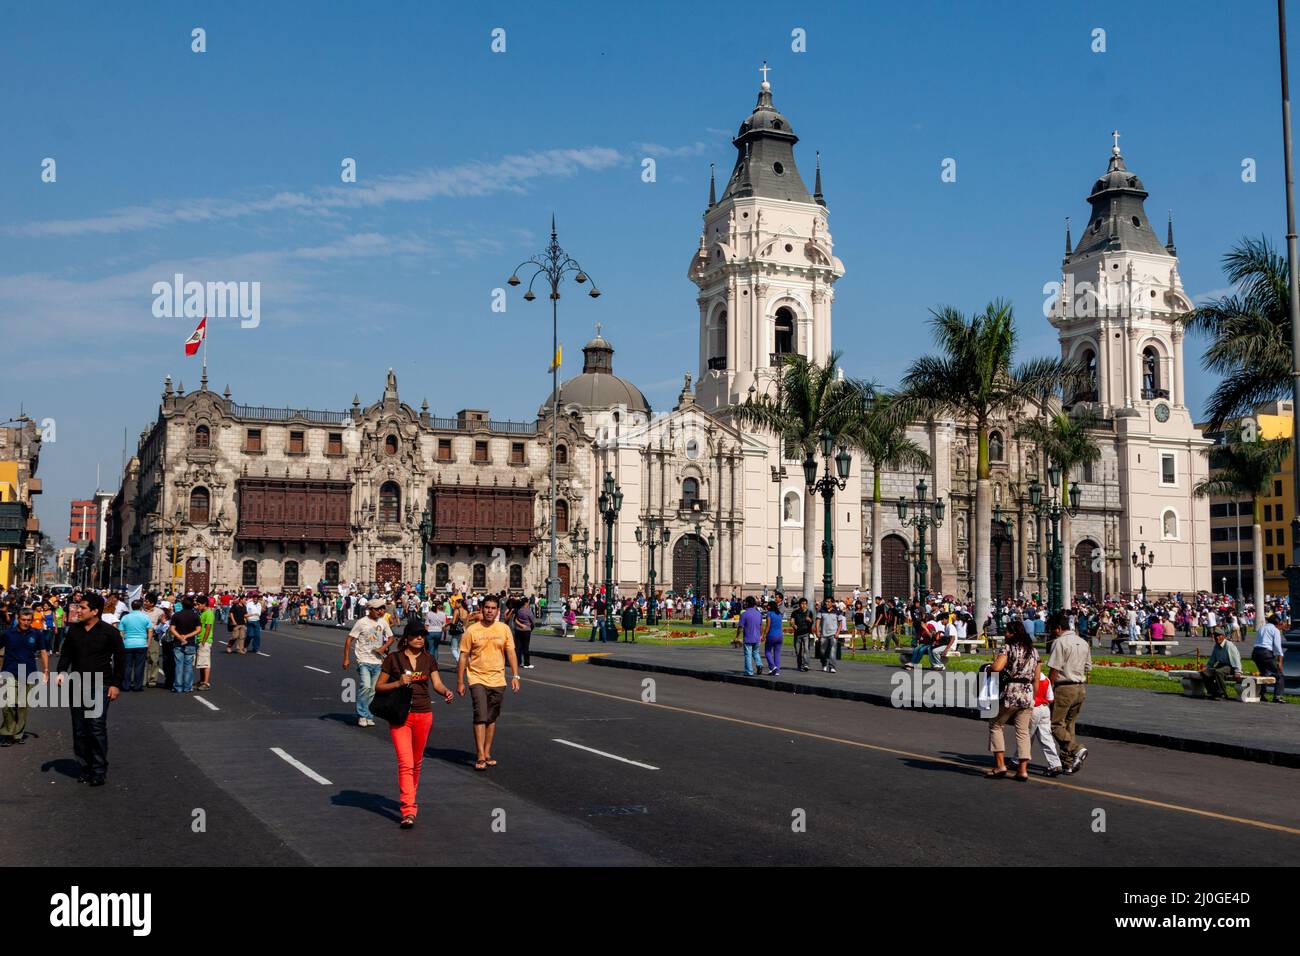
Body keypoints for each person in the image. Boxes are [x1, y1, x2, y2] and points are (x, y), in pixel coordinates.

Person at [375, 628, 453, 828]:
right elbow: (379, 687)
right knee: (405, 763)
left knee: (416, 762)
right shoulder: (393, 659)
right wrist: (399, 683)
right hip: (400, 716)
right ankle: (408, 809)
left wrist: (445, 692)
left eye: (422, 636)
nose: (420, 639)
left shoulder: (429, 660)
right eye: (415, 635)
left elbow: (437, 683)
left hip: (423, 714)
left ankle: (411, 796)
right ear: (406, 638)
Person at [55, 593, 125, 786]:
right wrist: (60, 671)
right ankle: (85, 768)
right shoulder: (74, 631)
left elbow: (120, 659)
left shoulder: (109, 632)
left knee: (96, 726)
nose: (78, 610)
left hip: (100, 685)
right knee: (79, 729)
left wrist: (115, 684)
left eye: (83, 608)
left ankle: (99, 770)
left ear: (95, 611)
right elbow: (66, 654)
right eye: (79, 607)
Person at [456, 594, 520, 771]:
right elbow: (463, 657)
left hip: (498, 679)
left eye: (493, 608)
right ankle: (480, 756)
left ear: (497, 611)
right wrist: (460, 681)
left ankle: (487, 752)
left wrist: (515, 676)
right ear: (481, 609)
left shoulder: (504, 629)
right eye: (487, 608)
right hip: (476, 678)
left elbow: (511, 653)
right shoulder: (472, 630)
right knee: (480, 715)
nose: (490, 611)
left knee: (491, 717)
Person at [986, 620, 1038, 781]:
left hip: (1011, 692)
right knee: (1023, 732)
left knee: (996, 724)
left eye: (1007, 632)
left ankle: (1000, 765)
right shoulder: (1034, 651)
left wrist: (988, 667)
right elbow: (1036, 678)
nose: (1005, 635)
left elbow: (997, 668)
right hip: (1027, 693)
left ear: (1013, 634)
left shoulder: (1008, 648)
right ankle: (1022, 770)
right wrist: (1033, 697)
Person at [1047, 610, 1092, 774]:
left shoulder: (1060, 643)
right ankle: (1067, 762)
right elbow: (1088, 667)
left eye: (1052, 629)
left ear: (1058, 628)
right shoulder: (1083, 642)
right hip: (1080, 688)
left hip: (1064, 687)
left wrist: (1048, 687)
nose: (1051, 632)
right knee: (1069, 725)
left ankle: (1076, 749)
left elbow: (1054, 668)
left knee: (1054, 724)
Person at [1, 607, 49, 746]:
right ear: (18, 618)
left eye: (29, 620)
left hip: (28, 673)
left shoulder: (37, 634)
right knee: (8, 704)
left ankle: (18, 734)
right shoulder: (7, 634)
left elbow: (43, 652)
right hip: (9, 672)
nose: (26, 622)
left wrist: (46, 670)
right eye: (23, 620)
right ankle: (7, 733)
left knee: (22, 706)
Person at [1031, 663, 1062, 776]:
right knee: (1047, 738)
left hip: (1033, 709)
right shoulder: (1046, 679)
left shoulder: (1030, 679)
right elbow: (1050, 698)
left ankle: (1017, 760)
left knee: (1025, 737)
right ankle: (1055, 764)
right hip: (1045, 710)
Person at [118, 600, 152, 693]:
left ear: (132, 607)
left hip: (128, 643)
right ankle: (137, 686)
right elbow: (150, 630)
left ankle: (126, 685)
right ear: (141, 607)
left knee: (127, 666)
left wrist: (123, 641)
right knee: (139, 666)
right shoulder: (145, 617)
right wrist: (148, 643)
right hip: (141, 643)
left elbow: (121, 631)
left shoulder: (125, 617)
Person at [1252, 613, 1287, 703]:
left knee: (1264, 673)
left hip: (1256, 653)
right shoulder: (1275, 630)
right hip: (1266, 653)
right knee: (1279, 675)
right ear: (1277, 623)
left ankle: (1261, 694)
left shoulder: (1262, 628)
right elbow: (1278, 647)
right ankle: (1277, 696)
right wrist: (1280, 662)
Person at [169, 597, 201, 694]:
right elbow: (198, 629)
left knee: (178, 665)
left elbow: (172, 629)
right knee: (188, 666)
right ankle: (187, 687)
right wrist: (187, 636)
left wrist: (180, 637)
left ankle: (178, 687)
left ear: (182, 605)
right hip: (190, 642)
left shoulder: (176, 615)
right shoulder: (195, 616)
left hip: (178, 643)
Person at [1201, 626, 1243, 700]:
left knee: (1218, 672)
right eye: (1215, 636)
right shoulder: (1216, 646)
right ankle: (1212, 692)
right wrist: (1207, 667)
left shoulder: (1229, 645)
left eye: (1218, 636)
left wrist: (1238, 672)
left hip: (1230, 666)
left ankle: (1222, 693)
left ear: (1223, 636)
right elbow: (1212, 659)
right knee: (1205, 672)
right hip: (1221, 665)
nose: (1217, 638)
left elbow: (1236, 659)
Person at [738, 596, 763, 676]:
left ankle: (749, 671)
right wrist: (761, 635)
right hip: (757, 637)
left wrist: (737, 636)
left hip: (748, 637)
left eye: (745, 602)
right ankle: (759, 664)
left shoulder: (744, 614)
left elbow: (740, 627)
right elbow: (761, 626)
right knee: (756, 652)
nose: (744, 603)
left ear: (747, 603)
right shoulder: (758, 614)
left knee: (748, 654)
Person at [195, 595, 215, 690]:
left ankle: (206, 682)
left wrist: (203, 641)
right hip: (200, 639)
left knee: (205, 662)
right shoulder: (202, 613)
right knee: (201, 662)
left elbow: (208, 628)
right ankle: (202, 680)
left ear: (204, 604)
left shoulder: (209, 613)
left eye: (199, 604)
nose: (197, 606)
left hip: (205, 640)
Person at [760, 599, 784, 676]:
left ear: (770, 606)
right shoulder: (779, 614)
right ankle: (777, 671)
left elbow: (768, 626)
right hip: (780, 635)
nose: (766, 607)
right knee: (777, 653)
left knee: (767, 651)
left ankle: (772, 666)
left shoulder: (769, 614)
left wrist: (763, 635)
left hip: (771, 635)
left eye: (767, 606)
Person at [817, 597, 840, 673]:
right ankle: (824, 664)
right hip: (823, 634)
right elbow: (818, 621)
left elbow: (840, 623)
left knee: (833, 651)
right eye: (826, 602)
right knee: (822, 651)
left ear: (832, 603)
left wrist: (837, 633)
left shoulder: (836, 611)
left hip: (833, 634)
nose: (826, 603)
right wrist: (817, 631)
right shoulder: (821, 611)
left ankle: (832, 666)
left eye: (828, 602)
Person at [792, 597, 814, 672]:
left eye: (805, 604)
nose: (803, 605)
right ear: (799, 604)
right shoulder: (795, 612)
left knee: (806, 650)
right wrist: (793, 625)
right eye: (802, 604)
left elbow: (812, 622)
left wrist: (810, 620)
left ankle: (806, 665)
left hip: (806, 633)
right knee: (798, 651)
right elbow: (792, 621)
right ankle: (799, 665)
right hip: (797, 634)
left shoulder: (809, 612)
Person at [513, 597, 536, 665]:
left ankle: (518, 661)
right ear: (526, 603)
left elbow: (516, 619)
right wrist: (531, 628)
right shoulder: (528, 611)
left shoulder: (519, 610)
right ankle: (526, 663)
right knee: (526, 647)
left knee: (518, 647)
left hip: (518, 630)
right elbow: (533, 621)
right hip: (526, 630)